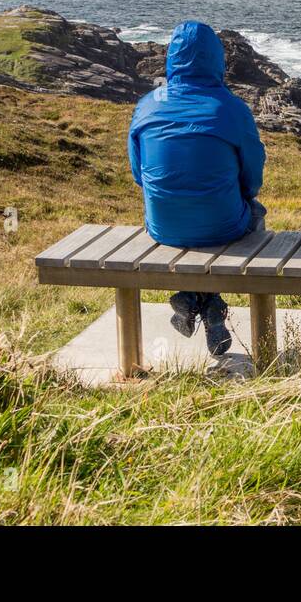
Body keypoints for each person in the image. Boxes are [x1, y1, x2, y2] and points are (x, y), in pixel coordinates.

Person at [128, 21, 266, 355]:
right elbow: (253, 177)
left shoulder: (147, 104)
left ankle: (195, 299)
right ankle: (207, 302)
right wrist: (245, 197)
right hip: (224, 224)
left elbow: (138, 174)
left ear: (171, 59)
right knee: (253, 214)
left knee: (189, 222)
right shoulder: (231, 108)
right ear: (217, 60)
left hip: (163, 225)